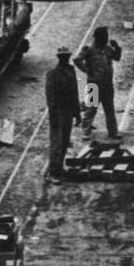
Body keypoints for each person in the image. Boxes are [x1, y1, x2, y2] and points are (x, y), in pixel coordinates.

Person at [74, 26, 123, 139]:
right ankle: (86, 131)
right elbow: (77, 60)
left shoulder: (107, 48)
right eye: (104, 37)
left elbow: (116, 58)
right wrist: (87, 69)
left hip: (107, 84)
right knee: (91, 109)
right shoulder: (89, 49)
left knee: (109, 109)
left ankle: (113, 132)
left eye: (106, 36)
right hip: (94, 83)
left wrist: (117, 48)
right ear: (98, 38)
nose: (106, 39)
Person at [45, 45, 80, 179]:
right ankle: (54, 173)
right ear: (59, 58)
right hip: (58, 112)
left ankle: (59, 168)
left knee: (65, 141)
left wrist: (76, 113)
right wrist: (53, 116)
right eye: (63, 56)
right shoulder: (52, 74)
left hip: (68, 111)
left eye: (67, 56)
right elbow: (50, 97)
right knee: (57, 144)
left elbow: (74, 93)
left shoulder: (71, 70)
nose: (65, 58)